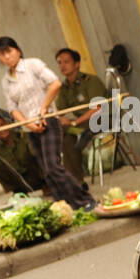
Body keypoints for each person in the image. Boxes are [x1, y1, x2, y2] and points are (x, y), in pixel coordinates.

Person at [0, 36, 95, 210]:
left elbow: (55, 84)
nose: (7, 57)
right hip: (30, 129)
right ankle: (64, 206)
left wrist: (43, 110)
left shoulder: (33, 65)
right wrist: (28, 124)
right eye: (1, 54)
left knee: (53, 166)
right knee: (46, 172)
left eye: (9, 51)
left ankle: (85, 199)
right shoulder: (6, 81)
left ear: (17, 50)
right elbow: (12, 107)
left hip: (48, 121)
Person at [54, 47, 107, 183]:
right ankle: (75, 181)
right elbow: (58, 110)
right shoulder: (64, 87)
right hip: (82, 123)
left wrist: (74, 123)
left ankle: (75, 181)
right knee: (62, 134)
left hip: (103, 119)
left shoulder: (90, 81)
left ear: (77, 64)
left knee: (68, 135)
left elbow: (98, 108)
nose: (62, 66)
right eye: (59, 62)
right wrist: (58, 118)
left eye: (66, 62)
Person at [0, 112, 45, 198]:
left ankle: (46, 185)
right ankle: (18, 191)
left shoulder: (23, 135)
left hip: (35, 174)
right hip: (18, 178)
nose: (1, 129)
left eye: (2, 124)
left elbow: (38, 154)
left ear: (8, 124)